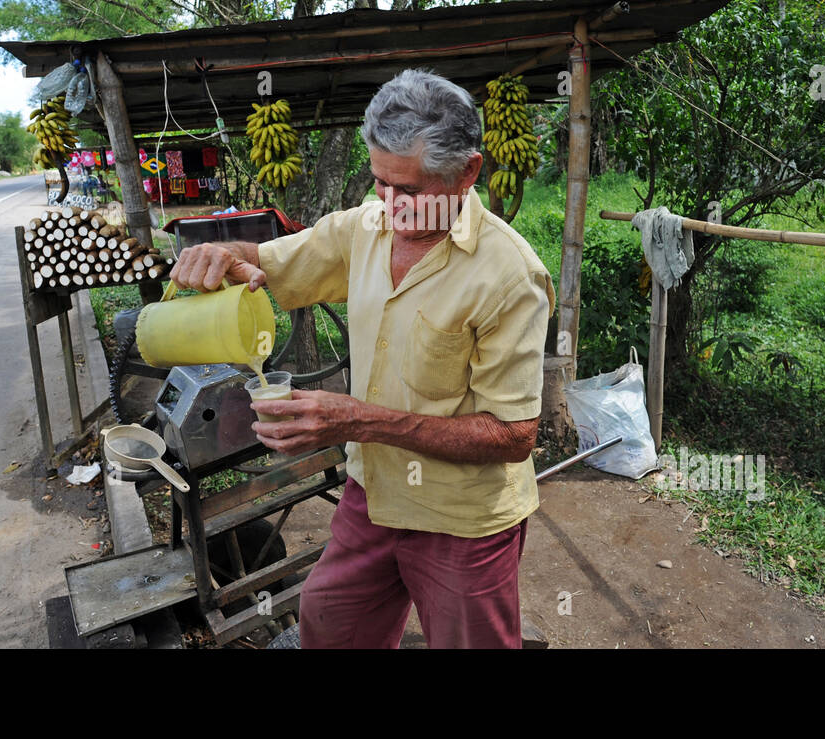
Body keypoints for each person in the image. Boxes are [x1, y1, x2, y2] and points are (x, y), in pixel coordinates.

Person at [169, 68, 554, 649]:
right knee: (330, 627)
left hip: (463, 519)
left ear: (468, 171)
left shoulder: (510, 276)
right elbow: (270, 260)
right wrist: (223, 253)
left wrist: (357, 420)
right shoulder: (365, 227)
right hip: (371, 493)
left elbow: (514, 435)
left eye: (411, 191)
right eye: (379, 182)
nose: (391, 204)